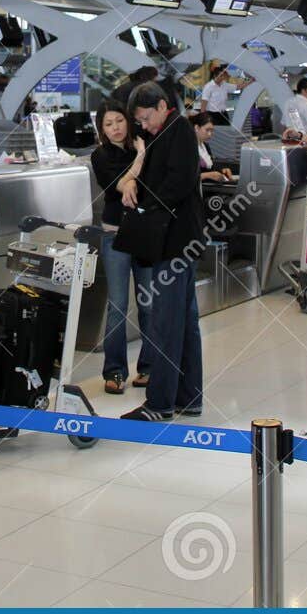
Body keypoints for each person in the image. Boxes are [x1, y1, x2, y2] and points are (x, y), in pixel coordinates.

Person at [121, 83, 206, 423]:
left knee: (167, 322)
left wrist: (144, 203)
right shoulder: (166, 133)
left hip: (175, 242)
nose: (143, 125)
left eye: (144, 118)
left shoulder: (178, 130)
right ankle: (188, 397)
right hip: (179, 241)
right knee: (183, 323)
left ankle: (160, 403)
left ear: (161, 105)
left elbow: (178, 183)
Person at [90, 103, 153, 394]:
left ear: (128, 122)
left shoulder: (144, 145)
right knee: (117, 305)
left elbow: (143, 185)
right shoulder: (100, 155)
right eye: (108, 124)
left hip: (144, 233)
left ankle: (149, 367)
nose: (115, 127)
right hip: (115, 235)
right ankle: (114, 371)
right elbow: (118, 185)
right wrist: (140, 159)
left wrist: (133, 174)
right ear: (102, 130)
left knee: (149, 304)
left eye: (119, 121)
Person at [191, 113, 234, 184]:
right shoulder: (188, 148)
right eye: (207, 130)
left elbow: (210, 168)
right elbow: (186, 177)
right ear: (196, 128)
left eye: (211, 130)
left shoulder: (205, 146)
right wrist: (206, 175)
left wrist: (222, 171)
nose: (210, 134)